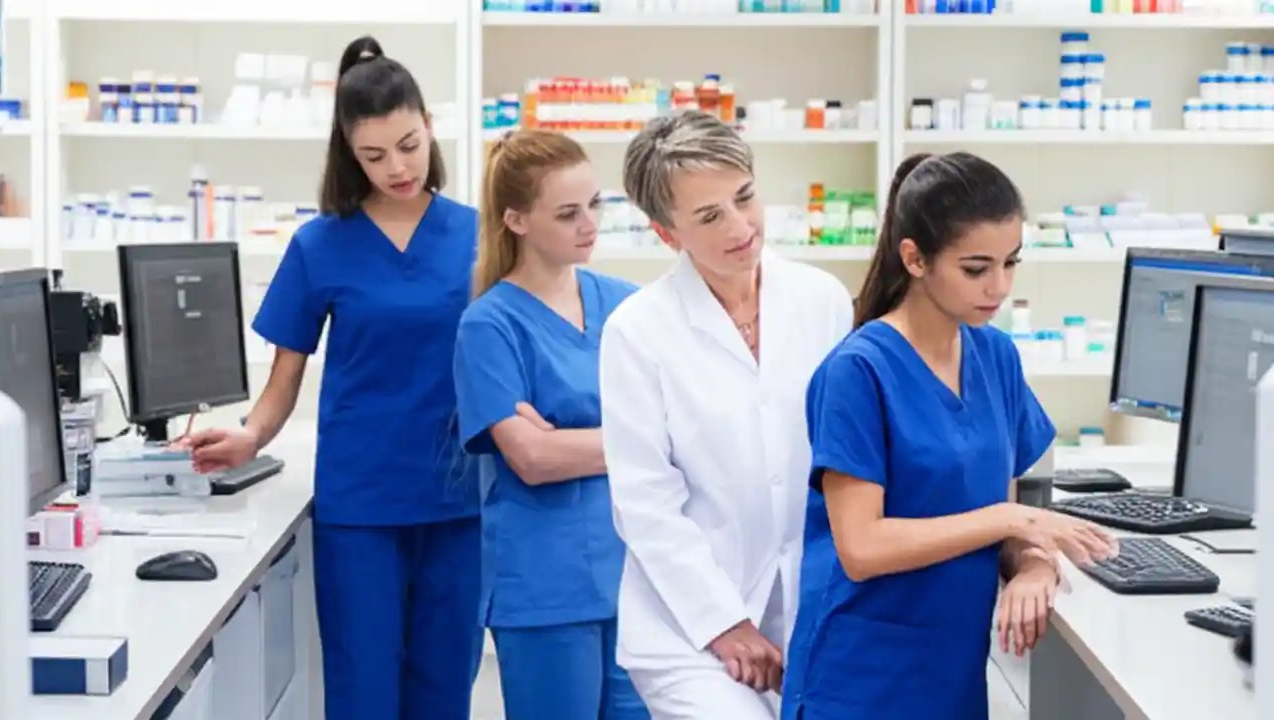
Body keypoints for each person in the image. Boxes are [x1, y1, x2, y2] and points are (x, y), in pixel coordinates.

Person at [176, 36, 482, 720]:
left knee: (443, 694)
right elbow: (285, 378)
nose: (397, 167)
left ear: (429, 125)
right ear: (348, 152)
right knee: (363, 694)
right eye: (374, 155)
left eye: (408, 144)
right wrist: (250, 436)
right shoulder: (321, 244)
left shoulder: (480, 235)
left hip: (460, 502)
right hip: (362, 506)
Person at [780, 152, 1121, 720]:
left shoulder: (996, 357)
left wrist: (1034, 564)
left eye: (1011, 262)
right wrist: (1014, 522)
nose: (1000, 286)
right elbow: (861, 548)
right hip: (861, 681)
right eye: (976, 268)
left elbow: (1002, 519)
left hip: (951, 675)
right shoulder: (858, 371)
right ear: (914, 258)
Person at [598, 110, 854, 718]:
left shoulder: (823, 301)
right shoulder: (637, 332)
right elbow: (644, 503)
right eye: (710, 216)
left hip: (811, 608)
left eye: (745, 198)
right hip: (689, 627)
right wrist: (725, 624)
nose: (741, 227)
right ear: (667, 234)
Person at [452, 129, 650, 720]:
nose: (589, 223)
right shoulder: (489, 327)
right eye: (567, 213)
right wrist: (640, 439)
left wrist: (568, 441)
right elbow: (533, 461)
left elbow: (686, 427)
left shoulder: (627, 305)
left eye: (595, 204)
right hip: (545, 590)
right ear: (515, 219)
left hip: (638, 580)